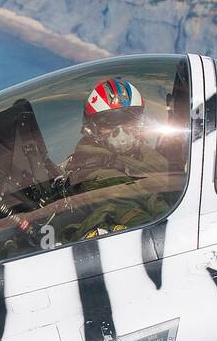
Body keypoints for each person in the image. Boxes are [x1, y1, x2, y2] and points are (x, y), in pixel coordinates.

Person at [59, 77, 172, 239]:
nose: (120, 132)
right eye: (109, 123)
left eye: (128, 120)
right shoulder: (92, 170)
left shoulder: (149, 158)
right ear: (92, 128)